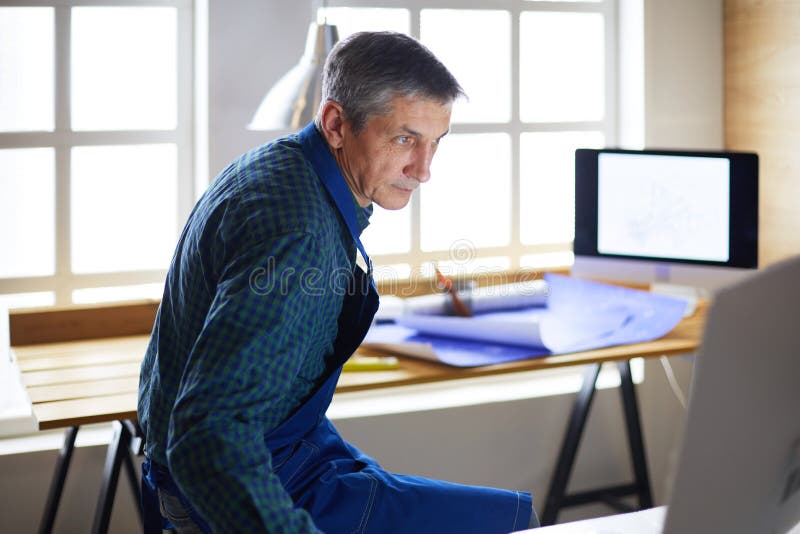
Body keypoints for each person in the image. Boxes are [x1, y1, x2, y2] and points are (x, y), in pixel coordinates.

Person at [138, 31, 539, 533]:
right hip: (229, 484)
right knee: (511, 524)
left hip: (290, 449)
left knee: (486, 514)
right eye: (404, 139)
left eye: (435, 143)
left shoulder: (286, 166)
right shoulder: (299, 232)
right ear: (335, 124)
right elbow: (209, 437)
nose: (424, 169)